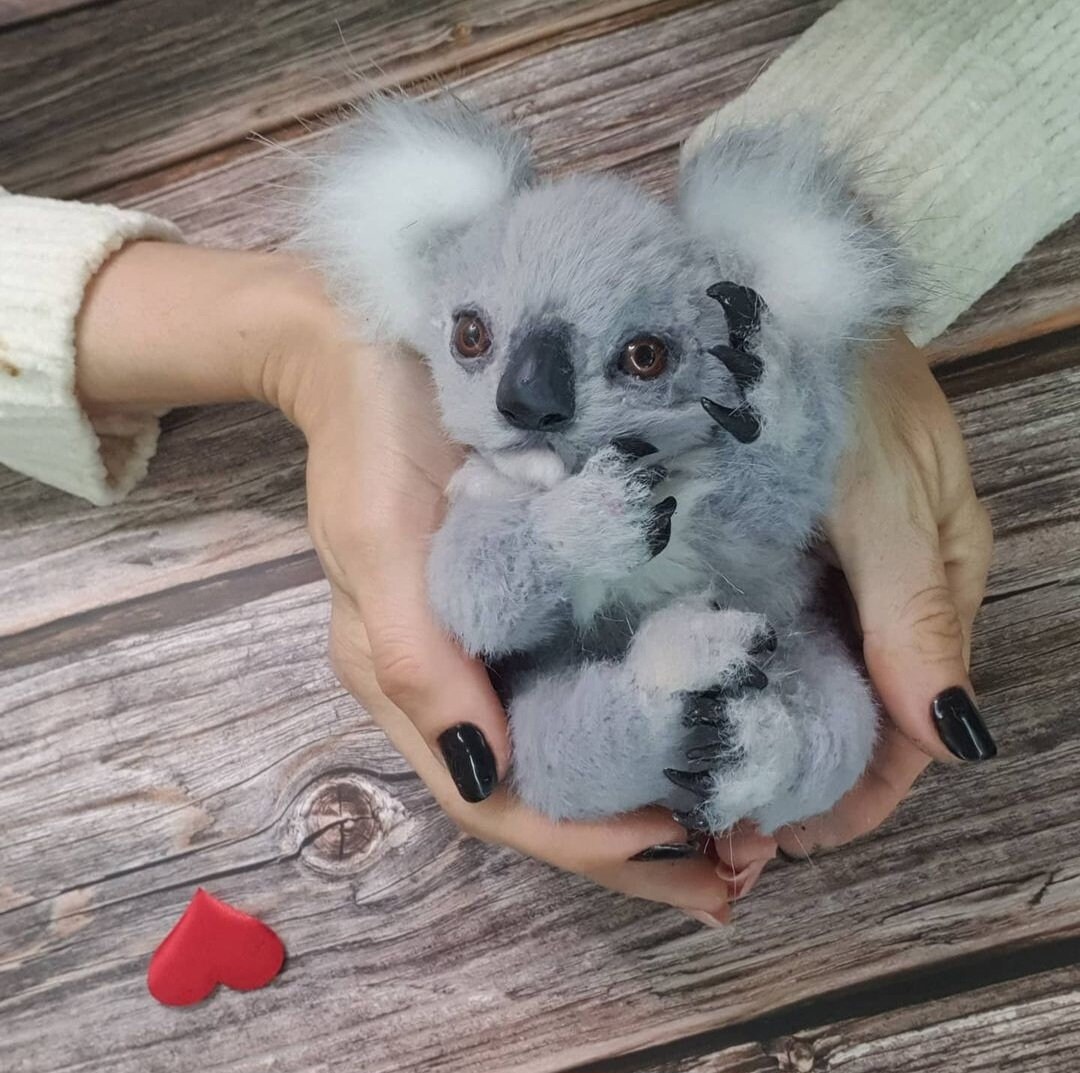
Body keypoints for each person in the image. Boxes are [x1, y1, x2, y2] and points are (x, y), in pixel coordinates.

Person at [1, 0, 1076, 926]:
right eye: (474, 341)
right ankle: (661, 711)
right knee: (559, 751)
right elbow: (480, 607)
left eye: (645, 356)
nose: (530, 393)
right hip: (586, 672)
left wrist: (807, 386)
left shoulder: (725, 397)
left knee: (837, 716)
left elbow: (769, 516)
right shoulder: (489, 487)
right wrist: (296, 336)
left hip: (762, 627)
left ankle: (762, 749)